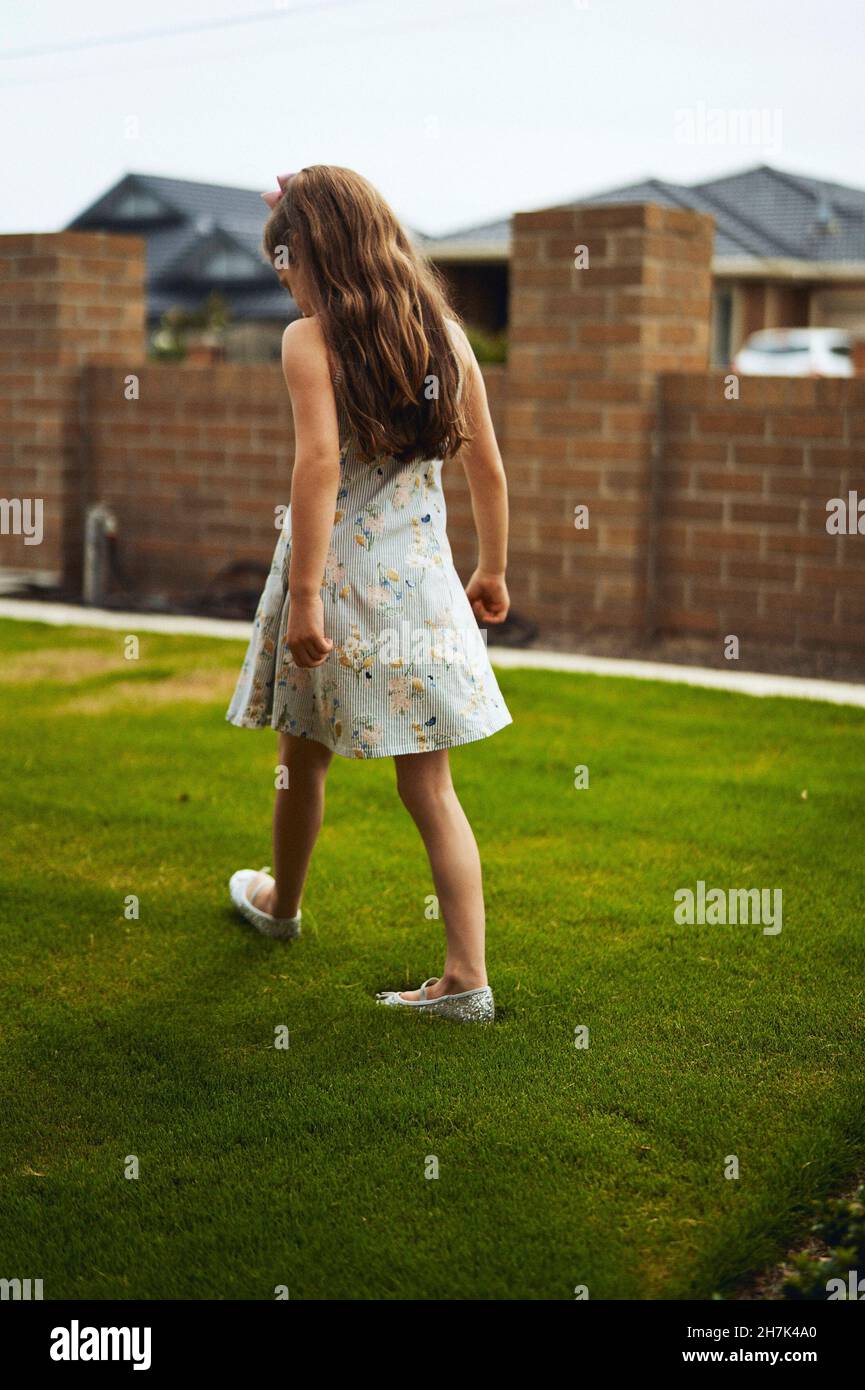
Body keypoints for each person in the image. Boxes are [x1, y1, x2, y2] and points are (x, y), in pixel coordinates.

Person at [227, 166, 512, 1023]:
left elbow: (317, 467)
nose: (284, 275)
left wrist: (305, 597)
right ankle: (467, 978)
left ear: (318, 253)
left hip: (338, 588)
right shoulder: (448, 340)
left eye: (288, 257)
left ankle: (282, 907)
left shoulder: (308, 341)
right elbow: (488, 469)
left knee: (299, 758)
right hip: (424, 595)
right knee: (430, 788)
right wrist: (492, 569)